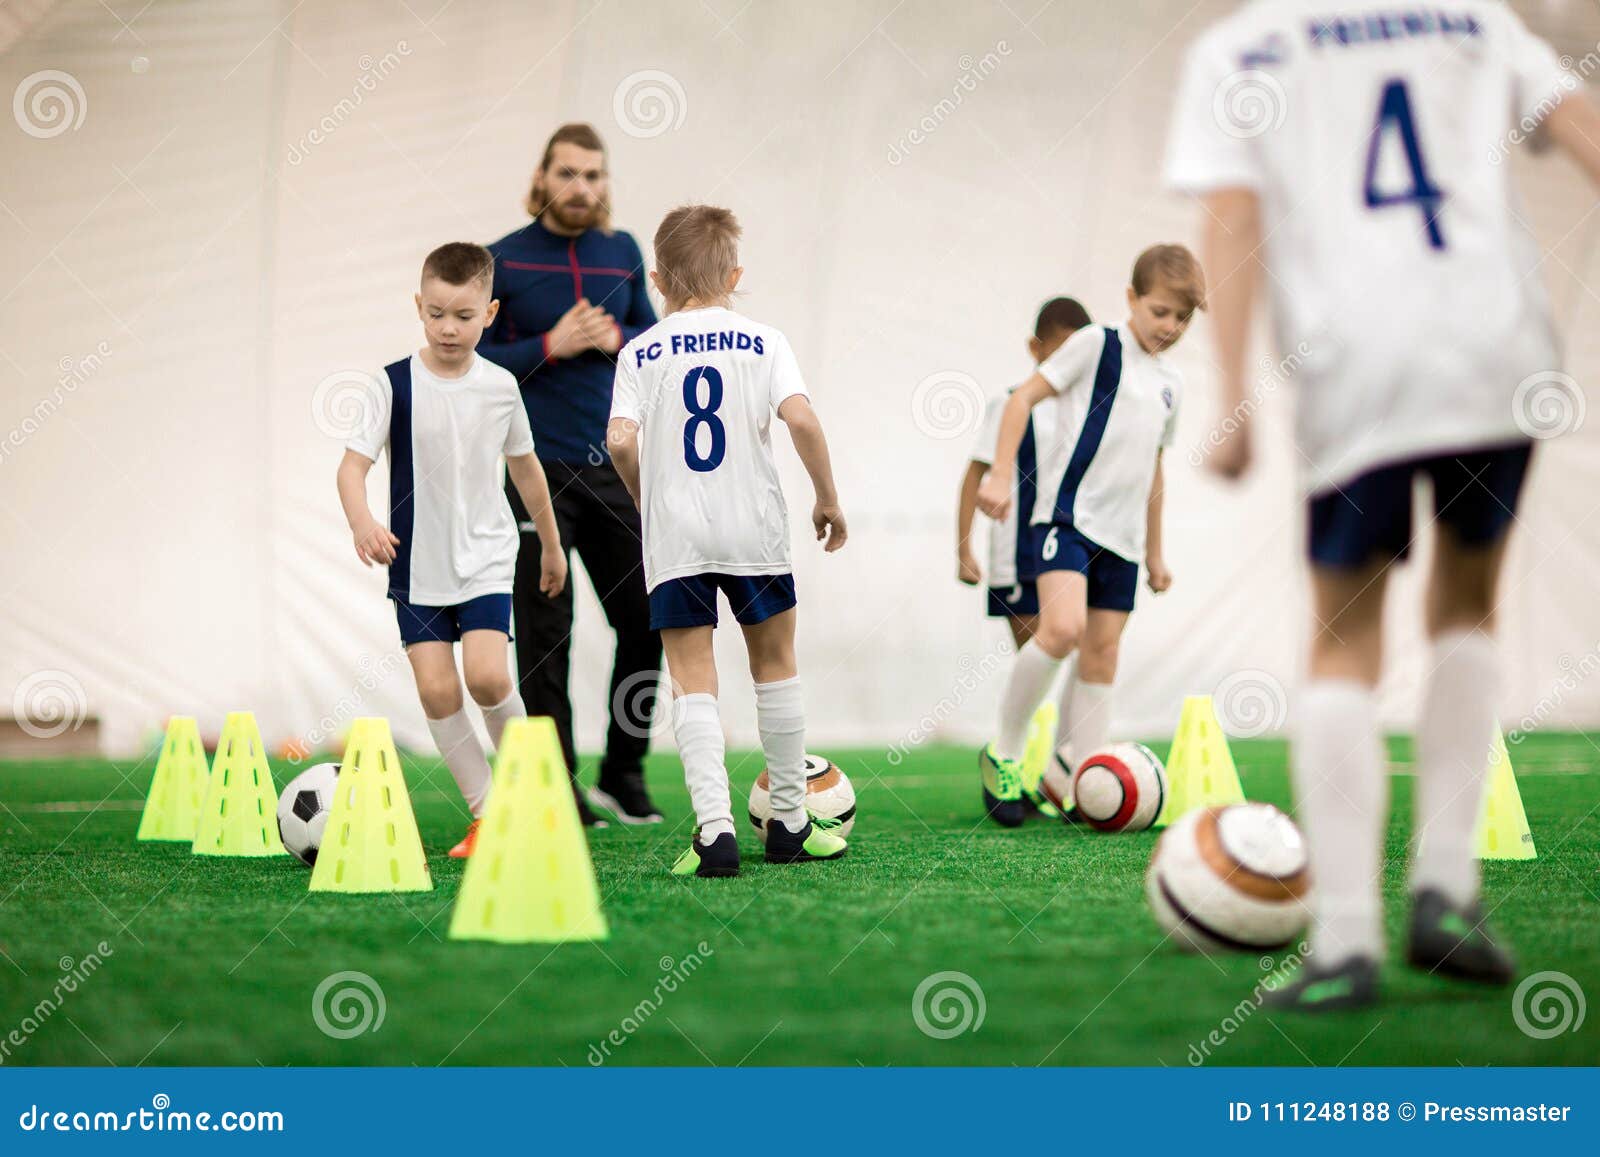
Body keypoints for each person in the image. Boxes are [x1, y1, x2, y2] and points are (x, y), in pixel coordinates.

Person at [1166, 0, 1600, 1011]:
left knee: (1344, 632)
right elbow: (1580, 127)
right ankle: (1446, 892)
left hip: (1358, 361)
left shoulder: (1241, 47)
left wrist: (1232, 401)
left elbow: (1230, 215)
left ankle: (1346, 940)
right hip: (1498, 350)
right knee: (1467, 602)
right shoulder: (1469, 20)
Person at [606, 204, 849, 878]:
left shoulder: (640, 350)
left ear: (657, 278)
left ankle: (715, 834)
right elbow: (800, 418)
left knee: (691, 677)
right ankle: (791, 825)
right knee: (775, 663)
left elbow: (620, 438)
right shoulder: (765, 341)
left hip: (677, 532)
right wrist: (827, 496)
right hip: (754, 525)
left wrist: (640, 495)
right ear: (735, 274)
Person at [337, 242, 567, 859]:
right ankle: (489, 815)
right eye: (436, 312)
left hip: (488, 558)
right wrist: (362, 522)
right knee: (438, 692)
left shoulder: (500, 387)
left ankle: (533, 796)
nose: (448, 327)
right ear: (418, 306)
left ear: (489, 314)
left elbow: (527, 471)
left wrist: (550, 545)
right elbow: (351, 469)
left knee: (489, 676)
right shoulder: (391, 385)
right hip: (415, 565)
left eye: (463, 316)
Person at [478, 123, 663, 827]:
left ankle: (624, 771)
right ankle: (557, 785)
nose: (581, 187)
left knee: (649, 619)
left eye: (593, 174)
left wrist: (616, 339)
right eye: (568, 174)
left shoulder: (622, 253)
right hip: (537, 474)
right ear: (543, 177)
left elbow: (653, 343)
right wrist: (551, 345)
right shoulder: (505, 259)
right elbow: (477, 362)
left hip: (615, 467)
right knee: (547, 637)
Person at [975, 247, 1197, 826]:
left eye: (1182, 317)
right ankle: (1004, 750)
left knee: (1102, 653)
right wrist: (1000, 473)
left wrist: (1155, 551)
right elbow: (1023, 397)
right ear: (1131, 299)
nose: (1170, 327)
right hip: (1067, 520)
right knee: (1063, 630)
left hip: (1124, 540)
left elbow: (1154, 467)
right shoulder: (1096, 345)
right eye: (1160, 311)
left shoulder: (1172, 383)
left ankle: (1084, 777)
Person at [957, 296, 1094, 819]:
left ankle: (1045, 771)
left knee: (1065, 653)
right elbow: (975, 473)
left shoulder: (1087, 408)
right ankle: (1008, 768)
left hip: (1069, 546)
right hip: (1017, 551)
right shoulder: (1012, 401)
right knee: (1037, 655)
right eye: (1057, 350)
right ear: (1035, 348)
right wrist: (964, 546)